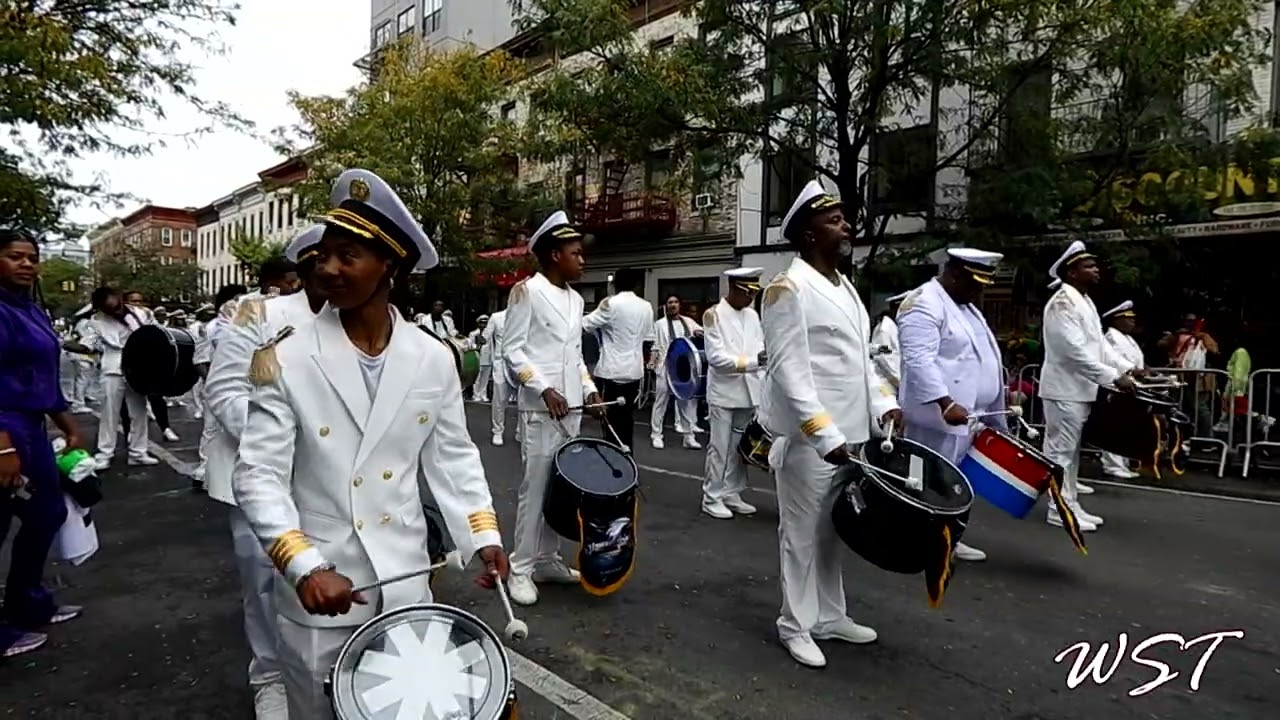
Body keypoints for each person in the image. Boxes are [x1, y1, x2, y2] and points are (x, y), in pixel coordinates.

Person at [232, 169, 509, 718]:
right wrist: (304, 565)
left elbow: (452, 456)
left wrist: (482, 534)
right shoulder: (284, 355)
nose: (327, 268)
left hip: (405, 581)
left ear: (389, 266)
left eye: (346, 255)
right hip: (323, 593)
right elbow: (258, 474)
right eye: (322, 256)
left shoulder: (432, 356)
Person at [760, 180, 902, 669]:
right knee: (800, 535)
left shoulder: (844, 287)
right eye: (834, 220)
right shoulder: (787, 288)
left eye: (844, 218)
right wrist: (825, 435)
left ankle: (829, 615)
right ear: (806, 235)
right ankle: (794, 624)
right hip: (812, 440)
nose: (846, 227)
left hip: (854, 436)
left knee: (833, 531)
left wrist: (884, 403)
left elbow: (860, 361)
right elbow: (790, 371)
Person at [203, 226, 324, 719]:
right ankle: (270, 675)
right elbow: (225, 390)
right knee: (262, 579)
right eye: (318, 263)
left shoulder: (351, 318)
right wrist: (280, 440)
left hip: (325, 477)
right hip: (253, 471)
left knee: (320, 575)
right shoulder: (256, 314)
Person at [502, 210, 603, 606]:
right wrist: (543, 388)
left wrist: (589, 389)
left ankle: (547, 559)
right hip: (542, 410)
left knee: (563, 490)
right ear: (554, 255)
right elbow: (513, 350)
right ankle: (521, 566)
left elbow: (574, 355)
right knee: (537, 487)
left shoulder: (576, 300)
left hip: (572, 407)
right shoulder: (527, 291)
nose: (583, 260)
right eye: (576, 253)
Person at [1, 228, 85, 658]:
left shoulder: (30, 309)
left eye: (32, 257)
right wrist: (2, 447)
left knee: (46, 513)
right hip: (4, 427)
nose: (27, 264)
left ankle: (27, 603)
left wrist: (66, 423)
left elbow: (44, 377)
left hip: (32, 427)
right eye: (16, 256)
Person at [897, 249, 1010, 564]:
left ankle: (949, 537)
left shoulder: (966, 306)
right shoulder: (923, 304)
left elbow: (982, 356)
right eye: (976, 283)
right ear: (955, 274)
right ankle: (918, 539)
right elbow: (918, 361)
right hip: (939, 417)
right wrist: (945, 402)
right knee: (930, 481)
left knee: (957, 483)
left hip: (970, 416)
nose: (981, 290)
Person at [1040, 241, 1139, 532]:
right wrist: (1111, 376)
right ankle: (1058, 508)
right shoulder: (1062, 303)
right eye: (1089, 266)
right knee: (1060, 452)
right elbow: (1072, 351)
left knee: (1070, 453)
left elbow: (1097, 347)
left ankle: (1069, 503)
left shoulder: (1084, 301)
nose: (1096, 270)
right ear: (1071, 273)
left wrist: (1125, 369)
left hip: (1079, 389)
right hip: (1063, 389)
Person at [700, 267, 766, 519]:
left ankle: (731, 491)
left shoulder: (752, 315)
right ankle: (711, 496)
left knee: (739, 448)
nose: (750, 299)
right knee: (719, 448)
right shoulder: (713, 315)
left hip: (749, 391)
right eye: (747, 293)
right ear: (735, 289)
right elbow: (716, 358)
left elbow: (760, 347)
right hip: (724, 392)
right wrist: (754, 363)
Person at [75, 286, 157, 469]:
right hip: (113, 368)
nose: (117, 311)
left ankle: (138, 452)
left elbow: (156, 334)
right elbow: (88, 346)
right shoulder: (96, 322)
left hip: (138, 368)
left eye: (118, 306)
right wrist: (61, 344)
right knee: (109, 413)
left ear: (120, 298)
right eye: (111, 310)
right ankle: (105, 454)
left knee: (140, 412)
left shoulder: (142, 314)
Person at [582, 267, 655, 452]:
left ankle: (613, 459)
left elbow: (585, 324)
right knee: (627, 417)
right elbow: (648, 338)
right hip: (633, 371)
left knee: (609, 420)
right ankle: (627, 456)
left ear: (614, 284)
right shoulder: (646, 306)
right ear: (636, 285)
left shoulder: (610, 304)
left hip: (611, 371)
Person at [191, 283, 249, 493]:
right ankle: (204, 469)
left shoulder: (249, 324)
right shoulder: (212, 327)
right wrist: (211, 383)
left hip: (243, 386)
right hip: (217, 385)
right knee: (211, 429)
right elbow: (200, 359)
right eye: (235, 298)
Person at [649, 294, 703, 449]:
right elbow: (655, 345)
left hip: (683, 368)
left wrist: (699, 333)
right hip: (665, 367)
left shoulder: (688, 322)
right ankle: (656, 434)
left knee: (684, 402)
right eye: (670, 302)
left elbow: (702, 331)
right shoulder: (659, 324)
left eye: (675, 302)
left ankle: (688, 436)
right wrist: (652, 363)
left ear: (680, 304)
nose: (673, 305)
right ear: (665, 306)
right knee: (661, 402)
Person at [1100, 301, 1145, 479]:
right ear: (1116, 320)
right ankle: (1112, 465)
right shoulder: (1111, 337)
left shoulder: (1128, 339)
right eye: (1128, 318)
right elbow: (1111, 360)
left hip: (1129, 387)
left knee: (1125, 426)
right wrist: (1131, 370)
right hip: (1115, 386)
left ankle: (1122, 463)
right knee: (1113, 427)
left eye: (1133, 318)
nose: (1132, 321)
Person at [868, 291, 910, 390]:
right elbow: (883, 358)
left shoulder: (896, 327)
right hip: (886, 385)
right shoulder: (885, 329)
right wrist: (899, 382)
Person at [486, 308, 513, 445]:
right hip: (500, 361)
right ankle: (497, 431)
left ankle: (521, 430)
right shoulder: (496, 317)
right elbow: (486, 336)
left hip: (521, 362)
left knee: (524, 398)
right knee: (499, 398)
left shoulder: (527, 316)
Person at [469, 314, 492, 401]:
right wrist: (476, 346)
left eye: (486, 323)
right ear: (478, 324)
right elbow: (470, 344)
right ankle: (476, 395)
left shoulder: (490, 334)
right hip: (478, 357)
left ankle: (483, 394)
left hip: (487, 357)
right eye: (482, 323)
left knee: (485, 378)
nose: (484, 325)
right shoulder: (473, 334)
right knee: (477, 378)